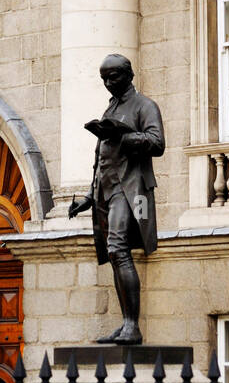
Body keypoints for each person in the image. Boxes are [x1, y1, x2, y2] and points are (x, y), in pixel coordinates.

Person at [69, 53, 165, 345]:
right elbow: (101, 159)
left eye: (113, 77)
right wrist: (88, 196)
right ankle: (125, 324)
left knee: (118, 248)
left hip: (129, 188)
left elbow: (157, 142)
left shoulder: (144, 106)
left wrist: (125, 135)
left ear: (129, 75)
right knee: (113, 254)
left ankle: (132, 326)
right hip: (106, 191)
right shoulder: (111, 108)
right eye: (103, 79)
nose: (108, 83)